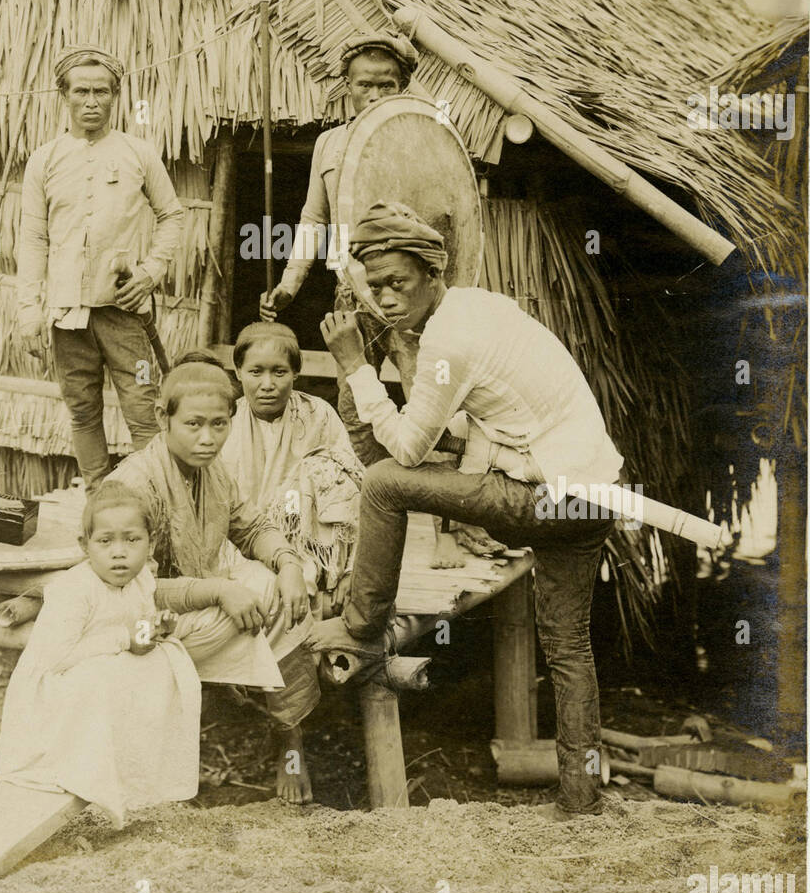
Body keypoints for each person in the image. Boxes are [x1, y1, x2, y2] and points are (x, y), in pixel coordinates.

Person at [310, 201, 625, 819]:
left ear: (433, 274)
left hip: (549, 496)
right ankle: (580, 801)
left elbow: (403, 450)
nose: (386, 300)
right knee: (568, 646)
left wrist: (353, 369)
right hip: (593, 494)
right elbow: (489, 422)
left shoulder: (449, 342)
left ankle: (362, 626)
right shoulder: (481, 306)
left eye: (398, 284)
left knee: (381, 483)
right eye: (375, 288)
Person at [105, 353, 320, 806]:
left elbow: (251, 525)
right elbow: (129, 587)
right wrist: (220, 590)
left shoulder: (210, 468)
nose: (208, 439)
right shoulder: (134, 483)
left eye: (219, 425)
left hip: (188, 602)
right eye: (194, 425)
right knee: (250, 599)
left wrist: (290, 564)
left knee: (278, 588)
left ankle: (289, 736)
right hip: (133, 620)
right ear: (164, 418)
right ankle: (156, 759)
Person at [17, 46, 185, 488]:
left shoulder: (138, 153)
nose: (92, 101)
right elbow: (33, 239)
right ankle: (97, 497)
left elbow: (173, 215)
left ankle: (156, 498)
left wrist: (149, 272)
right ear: (64, 95)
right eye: (81, 91)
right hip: (66, 318)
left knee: (143, 405)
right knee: (82, 409)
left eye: (102, 92)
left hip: (125, 313)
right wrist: (29, 313)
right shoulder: (45, 160)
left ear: (116, 95)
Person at [0, 484, 203, 825]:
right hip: (54, 691)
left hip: (101, 672)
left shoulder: (141, 581)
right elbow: (57, 660)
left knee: (167, 662)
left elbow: (136, 629)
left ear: (151, 544)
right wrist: (126, 638)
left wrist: (153, 629)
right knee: (104, 678)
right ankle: (86, 769)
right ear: (85, 546)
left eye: (132, 540)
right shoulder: (73, 590)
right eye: (105, 541)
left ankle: (131, 772)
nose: (119, 553)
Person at [259, 34, 418, 462]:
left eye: (387, 85)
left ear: (402, 87)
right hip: (350, 293)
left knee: (424, 397)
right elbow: (314, 219)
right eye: (365, 84)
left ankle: (440, 513)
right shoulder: (329, 144)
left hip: (410, 298)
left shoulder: (420, 140)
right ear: (346, 87)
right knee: (354, 405)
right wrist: (289, 285)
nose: (375, 95)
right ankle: (365, 504)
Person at [221, 322, 361, 615]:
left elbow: (352, 488)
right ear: (238, 372)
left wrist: (351, 569)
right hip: (245, 542)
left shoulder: (318, 414)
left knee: (327, 469)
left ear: (296, 373)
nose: (268, 384)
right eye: (255, 372)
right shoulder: (226, 423)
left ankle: (318, 582)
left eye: (279, 372)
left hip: (308, 540)